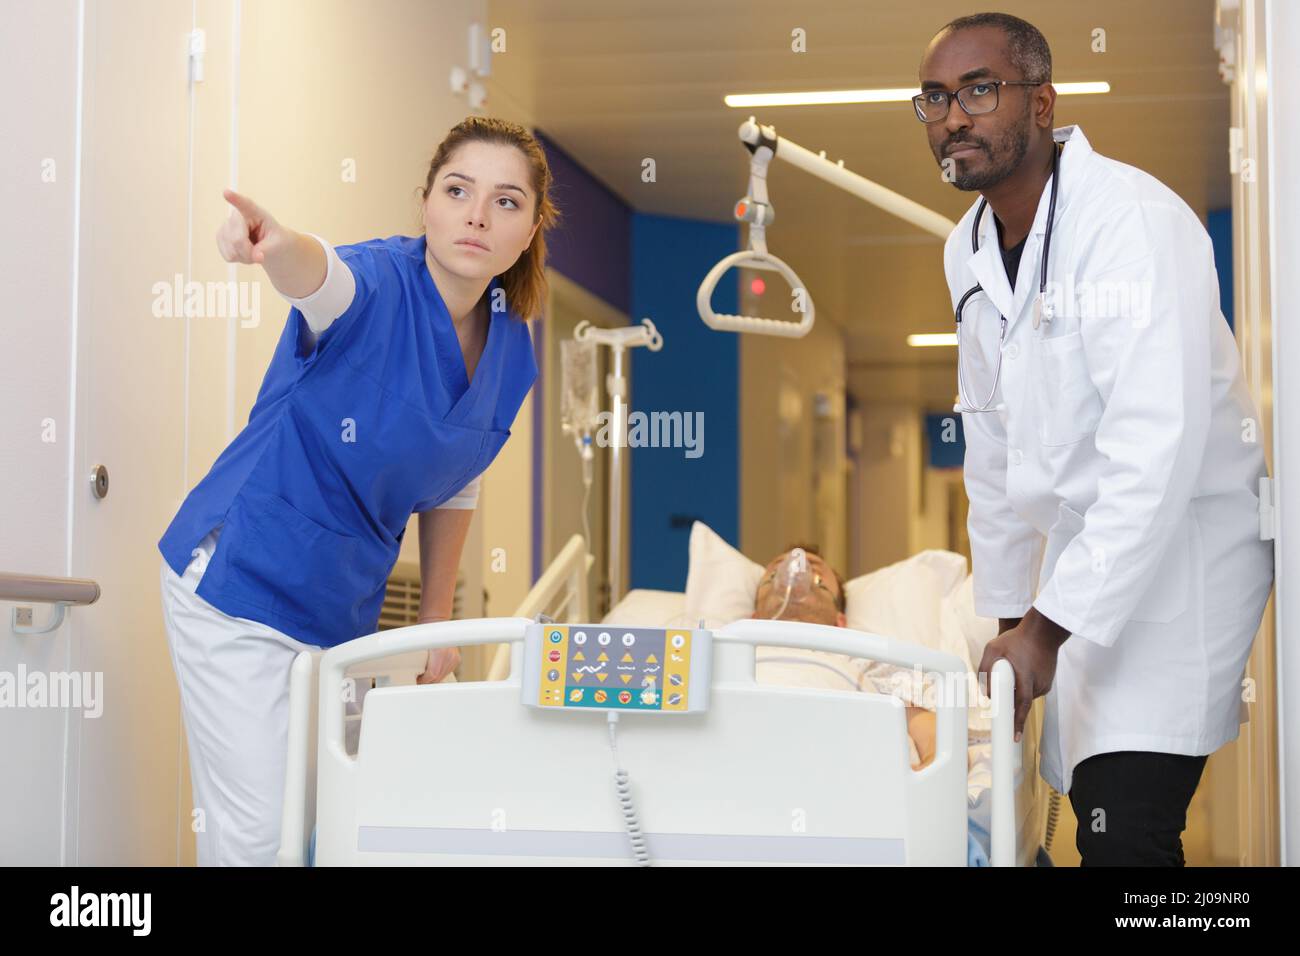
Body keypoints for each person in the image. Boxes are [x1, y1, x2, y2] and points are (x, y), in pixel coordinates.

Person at [916, 13, 1273, 865]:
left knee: (1125, 825)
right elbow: (993, 452)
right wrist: (1011, 629)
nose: (953, 117)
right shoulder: (964, 252)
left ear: (1042, 103)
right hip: (1077, 572)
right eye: (934, 98)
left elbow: (1157, 451)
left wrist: (1042, 633)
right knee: (1088, 817)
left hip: (1176, 560)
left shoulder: (1132, 223)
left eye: (978, 90)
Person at [157, 116, 559, 865]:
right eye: (458, 190)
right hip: (238, 580)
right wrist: (274, 247)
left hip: (339, 612)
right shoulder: (374, 284)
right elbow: (318, 276)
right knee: (259, 843)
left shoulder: (512, 349)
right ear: (427, 203)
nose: (477, 213)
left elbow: (457, 480)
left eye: (506, 202)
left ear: (532, 226)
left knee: (327, 829)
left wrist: (435, 624)